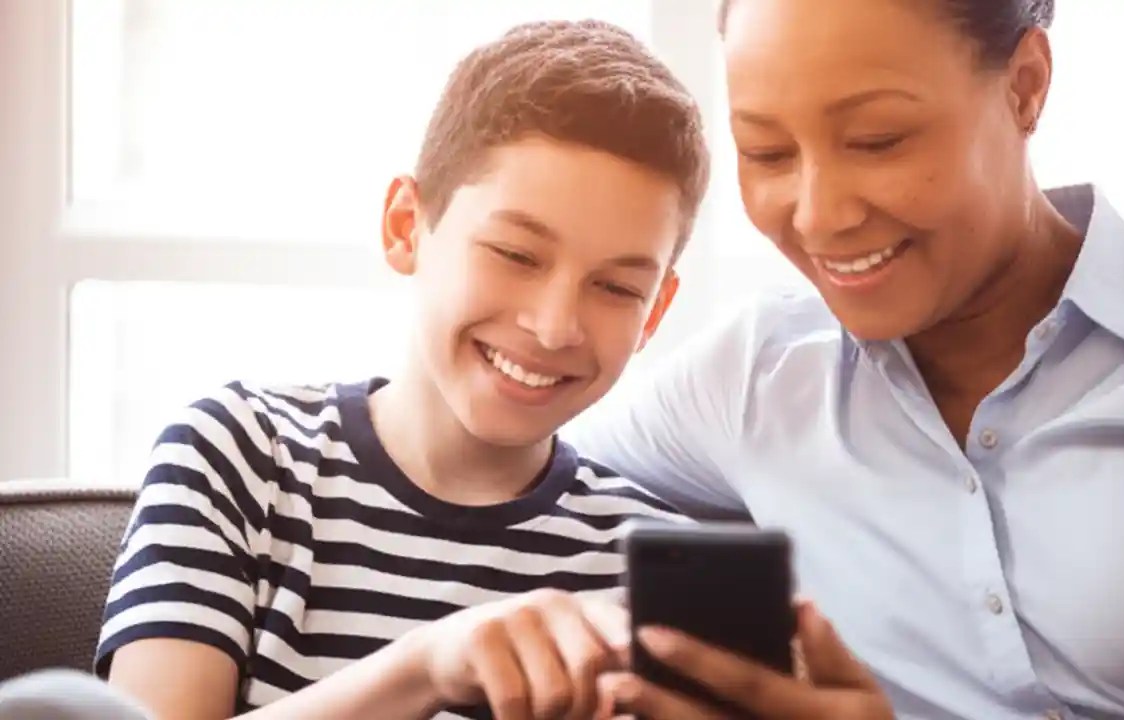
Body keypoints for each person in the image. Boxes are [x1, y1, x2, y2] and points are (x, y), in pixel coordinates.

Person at [569, 0, 1124, 718]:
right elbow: (506, 468)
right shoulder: (758, 375)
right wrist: (450, 655)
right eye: (767, 153)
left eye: (878, 140)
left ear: (1025, 86)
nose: (818, 216)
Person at [92, 19, 727, 720]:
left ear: (658, 310)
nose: (554, 326)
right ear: (405, 226)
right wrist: (425, 669)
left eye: (616, 289)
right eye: (515, 254)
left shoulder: (654, 574)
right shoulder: (242, 457)